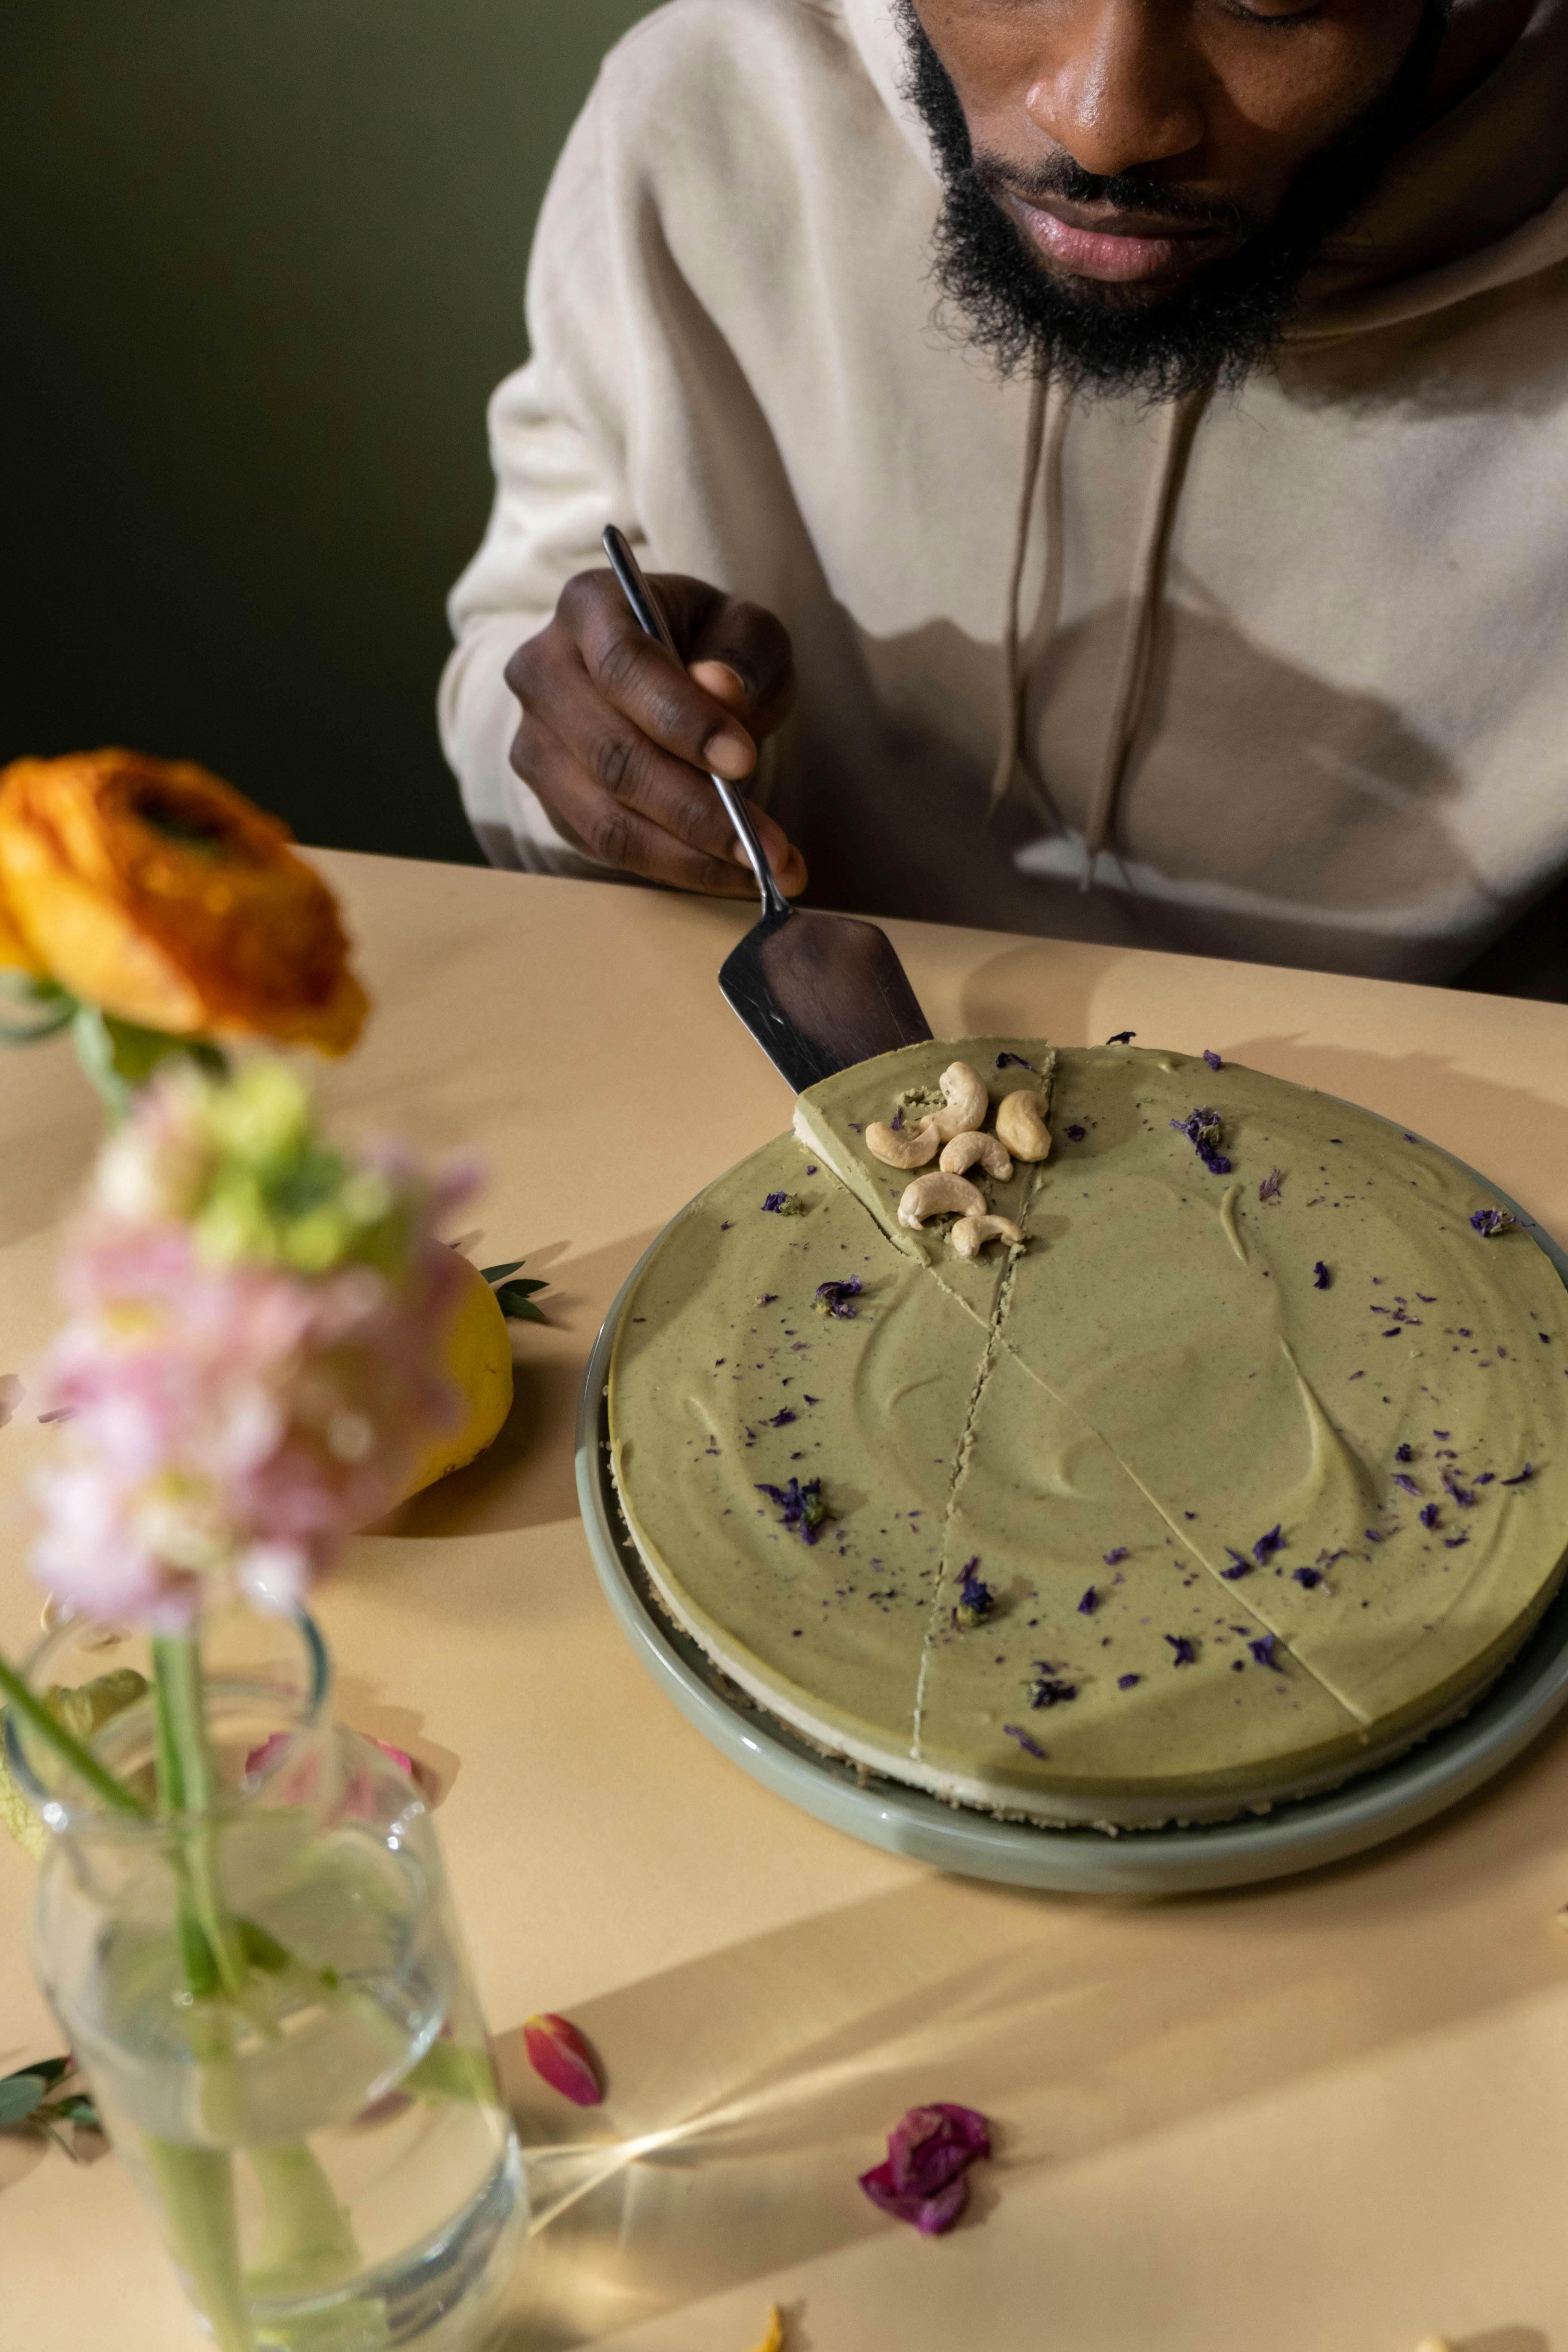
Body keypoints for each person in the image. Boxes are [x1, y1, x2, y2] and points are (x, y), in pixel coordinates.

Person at [440, 0, 1568, 992]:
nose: (1102, 121)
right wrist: (595, 753)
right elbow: (514, 661)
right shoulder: (707, 105)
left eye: (1271, 1)